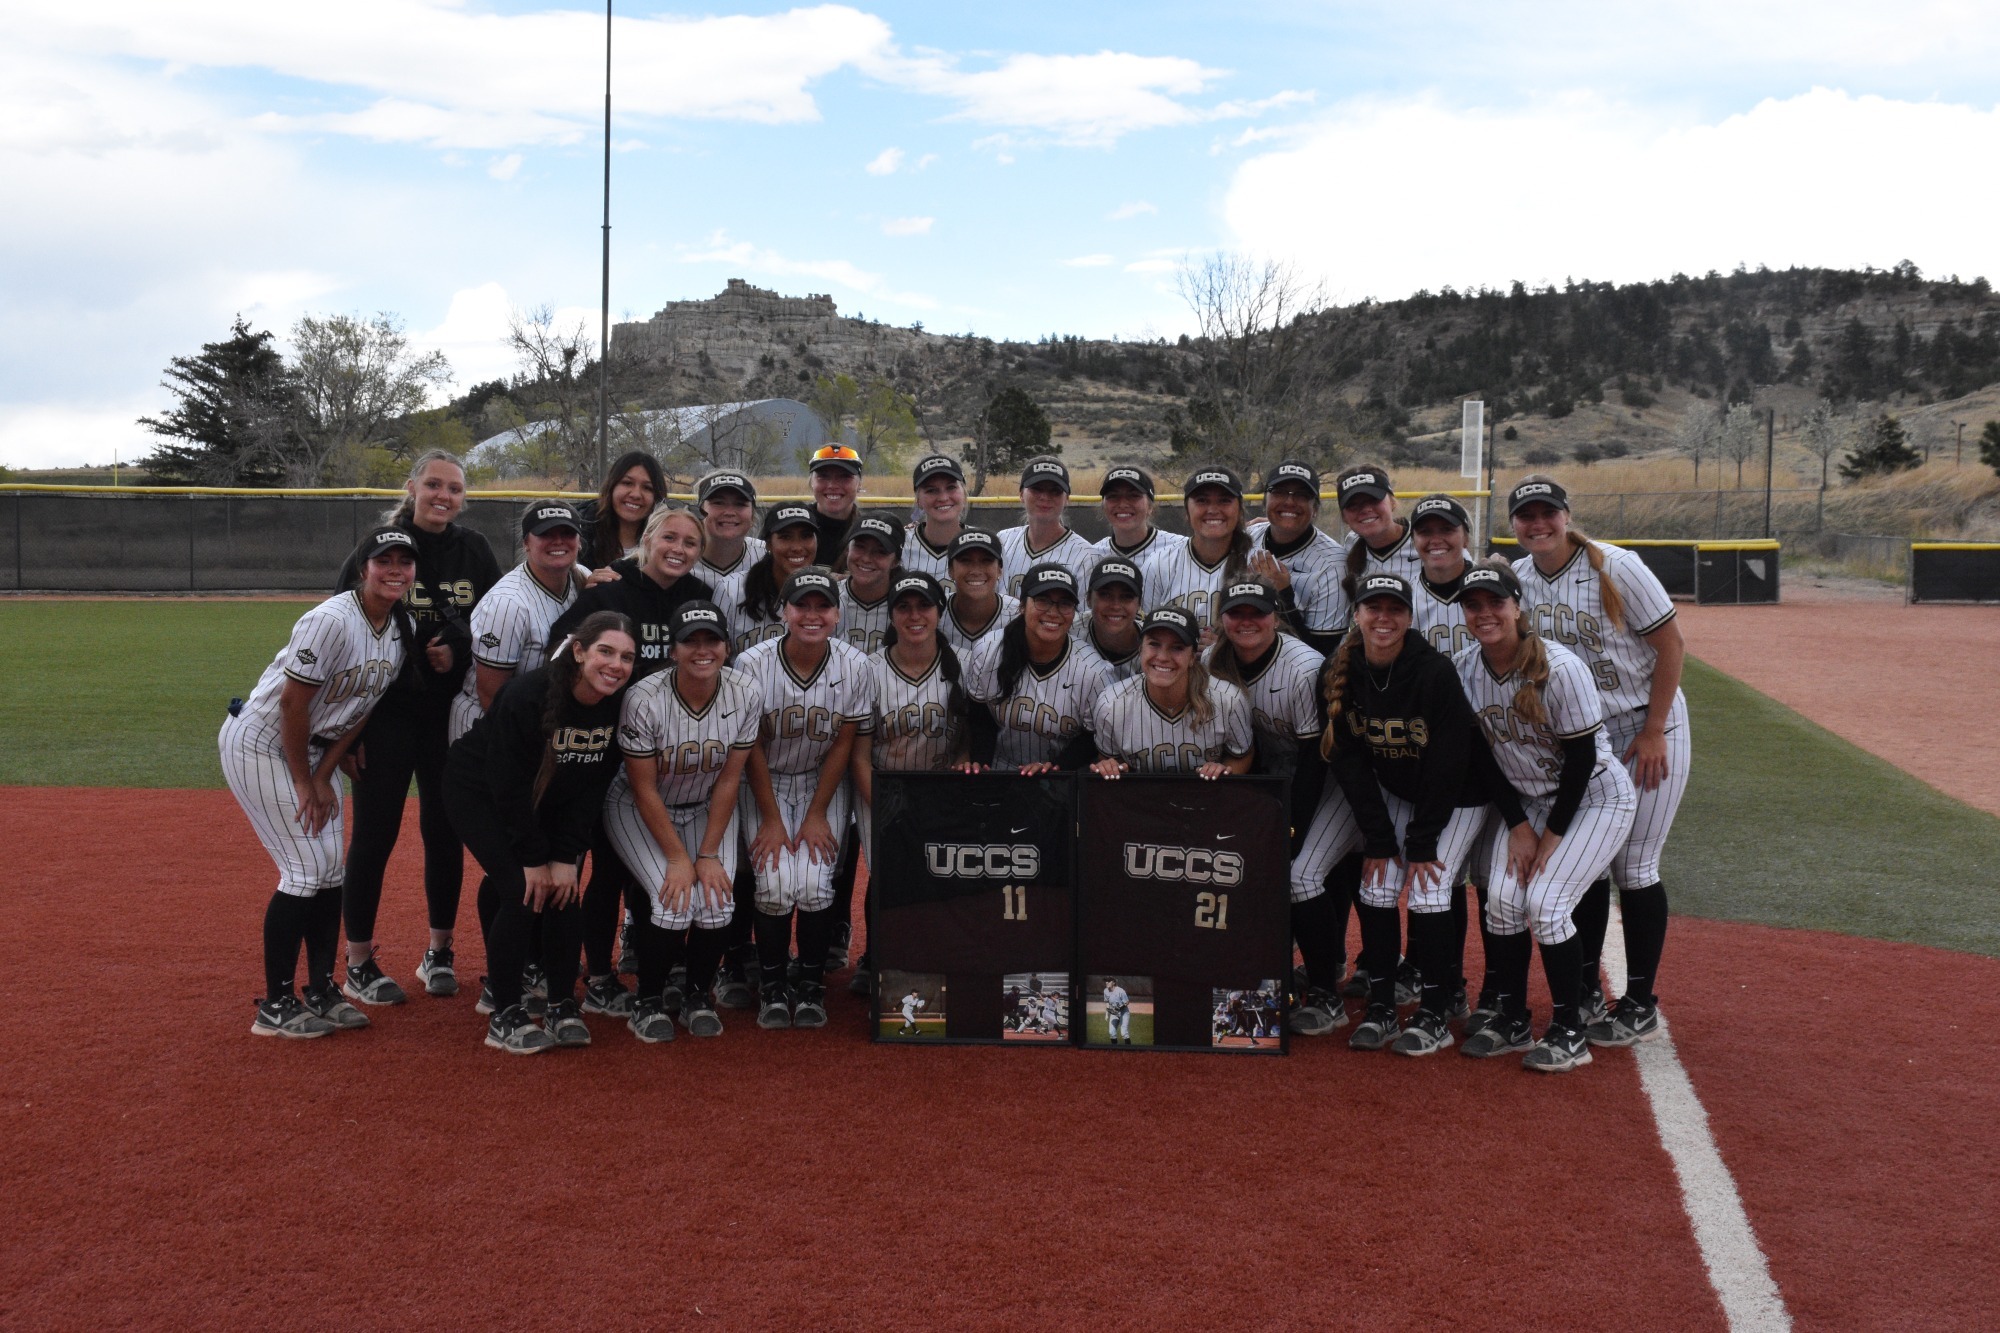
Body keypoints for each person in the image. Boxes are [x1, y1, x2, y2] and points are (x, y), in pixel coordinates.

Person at [1306, 572, 1526, 1057]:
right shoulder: (1340, 670)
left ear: (1409, 617)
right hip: (1397, 790)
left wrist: (1421, 841)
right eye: (1373, 608)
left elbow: (1449, 763)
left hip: (1457, 796)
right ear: (1357, 614)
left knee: (1429, 890)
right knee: (1377, 884)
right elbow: (1349, 761)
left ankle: (1436, 1008)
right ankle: (1383, 1005)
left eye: (1394, 609)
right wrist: (1380, 839)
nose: (1383, 618)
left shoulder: (1432, 671)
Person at [1508, 476, 1689, 1047]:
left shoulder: (1616, 566)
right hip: (1577, 737)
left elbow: (1672, 646)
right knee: (1582, 863)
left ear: (1566, 515)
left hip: (1643, 724)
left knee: (1634, 866)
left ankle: (1639, 1000)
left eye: (1547, 513)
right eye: (1526, 516)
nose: (1537, 524)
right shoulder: (1518, 579)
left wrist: (1656, 729)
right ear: (1514, 523)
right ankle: (1585, 987)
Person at [223, 527, 415, 1039]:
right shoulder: (330, 620)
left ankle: (323, 988)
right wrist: (305, 781)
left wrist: (326, 773)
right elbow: (292, 704)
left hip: (313, 750)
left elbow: (361, 709)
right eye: (384, 561)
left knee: (330, 870)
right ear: (362, 569)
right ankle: (276, 1004)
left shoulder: (400, 627)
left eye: (405, 561)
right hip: (262, 742)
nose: (395, 569)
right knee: (306, 869)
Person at [1453, 563, 1638, 1073]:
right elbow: (1482, 760)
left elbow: (1580, 761)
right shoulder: (1466, 668)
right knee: (1502, 901)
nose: (1485, 613)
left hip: (1596, 797)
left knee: (1547, 902)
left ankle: (1569, 1030)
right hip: (1531, 802)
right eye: (1474, 605)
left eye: (1496, 602)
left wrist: (1549, 838)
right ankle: (1513, 1017)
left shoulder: (1559, 667)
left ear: (1517, 607)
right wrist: (1518, 827)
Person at [333, 450, 501, 1005]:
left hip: (447, 715)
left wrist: (454, 651)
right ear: (411, 487)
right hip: (384, 715)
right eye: (433, 484)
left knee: (444, 830)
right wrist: (346, 734)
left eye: (454, 488)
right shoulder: (379, 545)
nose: (443, 496)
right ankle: (358, 959)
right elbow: (343, 629)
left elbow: (494, 618)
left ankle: (439, 951)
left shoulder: (472, 549)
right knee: (375, 834)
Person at [547, 505, 715, 1015]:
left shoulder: (698, 598)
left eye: (690, 542)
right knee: (608, 870)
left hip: (667, 756)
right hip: (604, 748)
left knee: (654, 865)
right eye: (669, 537)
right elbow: (561, 655)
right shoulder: (609, 590)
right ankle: (597, 972)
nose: (678, 549)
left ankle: (649, 960)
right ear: (647, 538)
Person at [445, 611, 636, 1054]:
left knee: (564, 888)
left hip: (553, 799)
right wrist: (533, 857)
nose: (616, 665)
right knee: (522, 889)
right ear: (579, 651)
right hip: (481, 792)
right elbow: (507, 785)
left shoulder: (616, 704)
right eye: (605, 652)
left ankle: (562, 1002)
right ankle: (504, 1010)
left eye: (626, 657)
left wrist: (566, 855)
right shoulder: (528, 694)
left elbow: (590, 788)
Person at [603, 601, 759, 1042]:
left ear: (727, 647)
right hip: (639, 807)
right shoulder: (643, 697)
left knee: (717, 903)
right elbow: (644, 787)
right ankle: (648, 999)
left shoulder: (745, 691)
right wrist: (676, 857)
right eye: (691, 641)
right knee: (674, 904)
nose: (703, 649)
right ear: (673, 650)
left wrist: (708, 853)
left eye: (712, 640)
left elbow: (730, 779)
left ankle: (695, 995)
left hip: (707, 807)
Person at [734, 568, 877, 1029]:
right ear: (784, 611)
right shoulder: (751, 663)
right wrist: (772, 819)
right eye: (802, 605)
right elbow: (750, 745)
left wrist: (817, 813)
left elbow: (843, 744)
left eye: (822, 606)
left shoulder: (856, 665)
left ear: (838, 614)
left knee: (815, 887)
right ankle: (774, 985)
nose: (812, 615)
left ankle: (811, 982)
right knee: (775, 886)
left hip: (823, 783)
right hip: (764, 781)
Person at [1206, 580, 1343, 1035]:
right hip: (1268, 784)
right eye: (1236, 613)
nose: (1247, 622)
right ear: (1222, 619)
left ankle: (1327, 991)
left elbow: (1314, 757)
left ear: (1276, 616)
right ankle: (1274, 974)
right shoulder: (1212, 663)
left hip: (1327, 785)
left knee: (1300, 875)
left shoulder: (1303, 666)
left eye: (1257, 612)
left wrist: (1292, 826)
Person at [849, 570, 975, 996]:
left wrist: (963, 761)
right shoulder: (869, 670)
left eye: (924, 605)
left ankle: (931, 954)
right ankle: (874, 958)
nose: (914, 614)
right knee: (887, 873)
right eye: (903, 606)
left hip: (941, 790)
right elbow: (858, 753)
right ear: (891, 616)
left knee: (938, 872)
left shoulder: (965, 664)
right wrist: (885, 804)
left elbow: (974, 734)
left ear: (939, 612)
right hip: (882, 787)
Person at [451, 501, 585, 742]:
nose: (558, 541)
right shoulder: (508, 603)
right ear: (526, 543)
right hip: (486, 727)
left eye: (567, 533)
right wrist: (526, 745)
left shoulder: (583, 578)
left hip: (544, 721)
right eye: (546, 533)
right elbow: (490, 694)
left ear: (579, 540)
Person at [964, 564, 1111, 773]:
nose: (1053, 612)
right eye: (1042, 601)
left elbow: (1090, 740)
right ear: (1022, 605)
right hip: (998, 771)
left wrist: (1054, 769)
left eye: (1064, 603)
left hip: (1061, 780)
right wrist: (982, 765)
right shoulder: (988, 650)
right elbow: (980, 719)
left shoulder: (1093, 671)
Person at [1088, 606, 1253, 779]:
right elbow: (1110, 758)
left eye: (1177, 647)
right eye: (1154, 644)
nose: (1163, 657)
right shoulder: (1111, 703)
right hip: (1141, 801)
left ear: (1192, 657)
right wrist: (1111, 767)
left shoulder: (1229, 699)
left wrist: (1224, 772)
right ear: (1140, 649)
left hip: (1208, 800)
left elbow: (1241, 755)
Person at [1248, 460, 1348, 655]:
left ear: (1316, 509)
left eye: (1302, 495)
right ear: (1265, 501)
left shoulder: (1334, 565)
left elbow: (1322, 654)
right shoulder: (1249, 537)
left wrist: (1282, 595)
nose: (1289, 502)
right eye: (1279, 492)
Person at [1145, 466, 1255, 633]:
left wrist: (1223, 646)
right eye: (1202, 500)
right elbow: (1146, 635)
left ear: (1240, 510)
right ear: (1187, 511)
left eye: (1224, 500)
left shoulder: (1257, 561)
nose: (1212, 509)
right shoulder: (1159, 564)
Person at [713, 503, 820, 655]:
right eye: (785, 537)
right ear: (769, 543)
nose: (797, 547)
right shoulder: (731, 590)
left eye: (806, 536)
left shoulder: (831, 593)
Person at [998, 457, 1098, 597]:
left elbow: (1084, 616)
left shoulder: (1087, 556)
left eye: (1055, 491)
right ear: (1021, 494)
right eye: (1036, 489)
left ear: (1067, 498)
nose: (1045, 497)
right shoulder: (1003, 540)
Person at [1335, 465, 1424, 593]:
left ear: (1392, 502)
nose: (1365, 509)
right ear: (1344, 516)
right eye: (1352, 505)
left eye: (1374, 500)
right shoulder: (1352, 543)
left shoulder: (1425, 541)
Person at [1092, 465, 1186, 583]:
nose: (1122, 504)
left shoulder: (1180, 548)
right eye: (1113, 496)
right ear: (1103, 506)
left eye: (1134, 496)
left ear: (1150, 506)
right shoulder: (1093, 555)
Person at [578, 450, 668, 574]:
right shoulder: (579, 533)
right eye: (627, 483)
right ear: (611, 487)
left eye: (647, 488)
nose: (636, 494)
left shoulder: (670, 540)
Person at [940, 529, 1019, 657]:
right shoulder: (934, 613)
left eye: (986, 560)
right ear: (950, 570)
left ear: (999, 570)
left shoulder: (1018, 615)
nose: (976, 571)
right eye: (965, 560)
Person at [838, 513, 902, 653]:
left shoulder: (907, 607)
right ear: (848, 549)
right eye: (860, 547)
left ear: (895, 561)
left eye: (880, 551)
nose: (866, 558)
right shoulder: (825, 598)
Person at [902, 454, 968, 586]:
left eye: (951, 487)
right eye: (931, 490)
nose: (943, 498)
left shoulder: (986, 544)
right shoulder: (900, 545)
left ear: (964, 493)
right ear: (918, 500)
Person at [692, 470, 764, 585]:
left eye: (740, 504)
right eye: (718, 503)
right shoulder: (680, 557)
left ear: (753, 516)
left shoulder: (768, 556)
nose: (729, 512)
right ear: (700, 511)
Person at [1079, 556, 1145, 681]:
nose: (1115, 606)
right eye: (1105, 595)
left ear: (1139, 604)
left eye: (1126, 596)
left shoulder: (1156, 643)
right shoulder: (1067, 630)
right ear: (1088, 599)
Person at [806, 443, 864, 557]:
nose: (832, 485)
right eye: (823, 476)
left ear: (859, 484)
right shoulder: (791, 527)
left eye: (844, 477)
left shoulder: (870, 533)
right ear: (811, 482)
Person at [1103, 979, 1132, 1045]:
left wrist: (1119, 1007)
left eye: (1109, 981)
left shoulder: (1120, 991)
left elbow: (1127, 1002)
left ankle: (1129, 1050)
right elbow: (1107, 1002)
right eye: (1106, 981)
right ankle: (1114, 1050)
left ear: (1113, 982)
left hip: (1123, 1012)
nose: (1106, 982)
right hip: (1114, 1013)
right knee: (1112, 1032)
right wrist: (1107, 1014)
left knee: (1124, 1032)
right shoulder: (1105, 991)